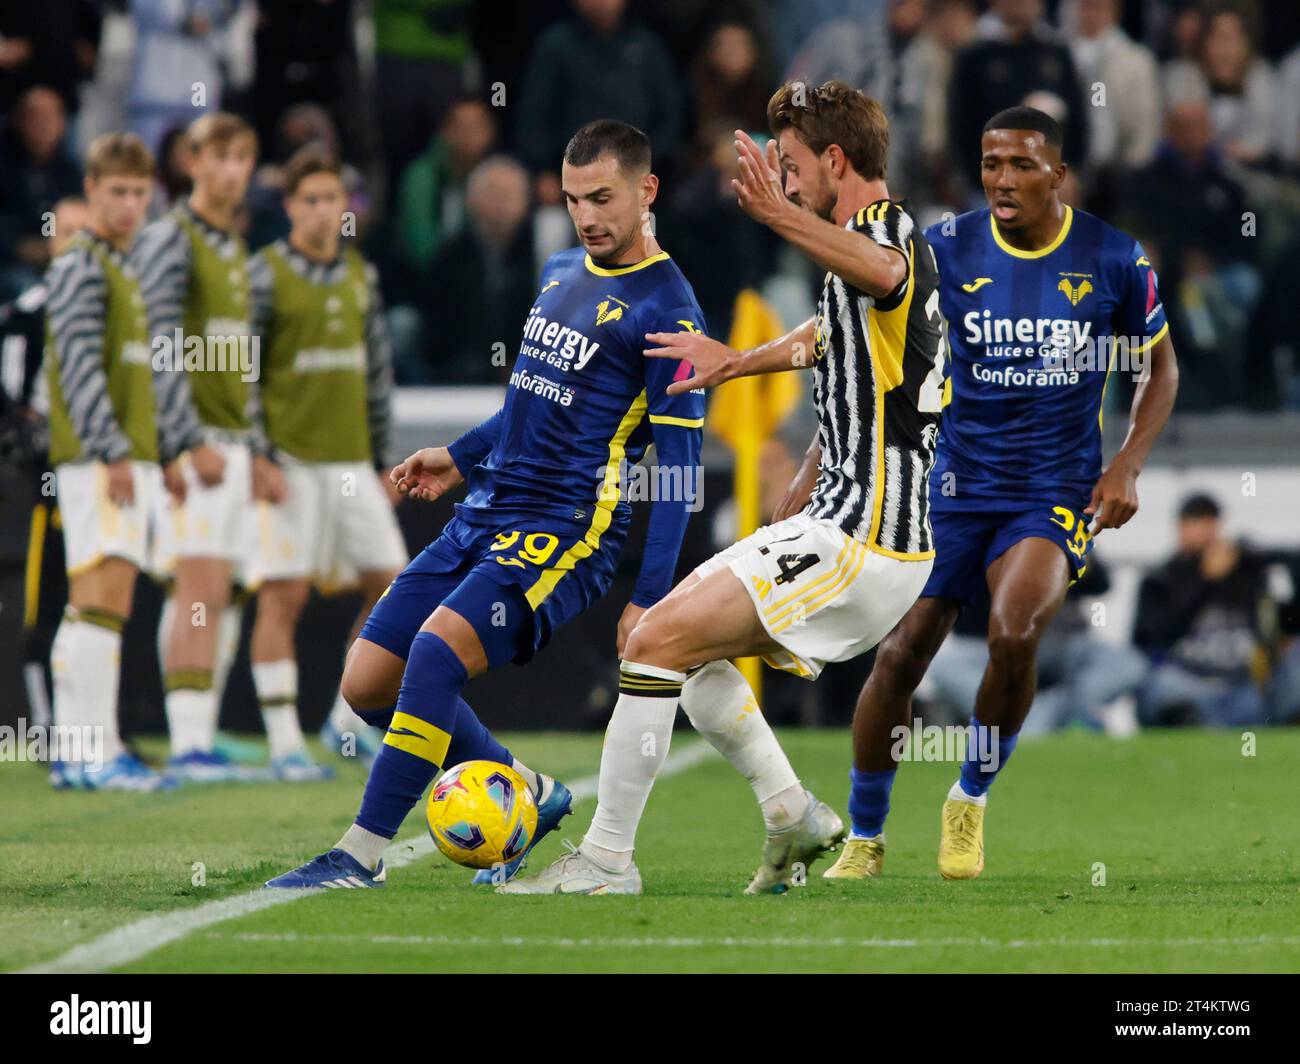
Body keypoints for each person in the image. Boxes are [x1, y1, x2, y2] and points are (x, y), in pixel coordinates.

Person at [506, 80, 945, 897]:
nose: (781, 179)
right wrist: (736, 361)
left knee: (650, 642)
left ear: (835, 162)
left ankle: (606, 861)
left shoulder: (886, 235)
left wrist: (779, 216)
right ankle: (791, 813)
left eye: (789, 165)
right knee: (693, 659)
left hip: (866, 537)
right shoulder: (860, 254)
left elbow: (885, 274)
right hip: (853, 530)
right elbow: (832, 337)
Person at [265, 119, 708, 890]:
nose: (588, 217)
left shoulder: (669, 313)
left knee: (435, 656)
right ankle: (528, 792)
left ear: (648, 191)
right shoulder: (562, 268)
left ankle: (358, 855)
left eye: (603, 198)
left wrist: (650, 598)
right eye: (573, 200)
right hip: (487, 510)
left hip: (565, 531)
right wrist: (461, 457)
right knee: (367, 682)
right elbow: (531, 400)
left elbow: (679, 468)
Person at [785, 106, 1179, 882]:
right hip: (947, 484)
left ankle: (969, 796)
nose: (1002, 179)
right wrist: (814, 461)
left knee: (1015, 632)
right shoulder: (945, 250)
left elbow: (1157, 369)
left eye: (1022, 165)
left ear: (1057, 175)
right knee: (899, 655)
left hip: (1053, 491)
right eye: (992, 162)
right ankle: (866, 834)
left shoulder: (1113, 259)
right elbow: (876, 363)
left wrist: (1128, 462)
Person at [240, 147, 408, 782]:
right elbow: (244, 372)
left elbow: (378, 375)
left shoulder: (360, 274)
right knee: (284, 594)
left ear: (345, 207)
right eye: (308, 199)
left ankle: (343, 724)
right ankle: (284, 743)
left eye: (330, 199)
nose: (320, 210)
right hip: (289, 460)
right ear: (289, 208)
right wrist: (256, 453)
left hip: (350, 464)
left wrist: (380, 460)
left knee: (394, 587)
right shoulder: (264, 274)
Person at [44, 133, 177, 790]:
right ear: (90, 191)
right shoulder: (80, 265)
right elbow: (77, 368)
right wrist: (114, 451)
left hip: (125, 456)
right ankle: (99, 754)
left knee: (89, 604)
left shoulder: (123, 265)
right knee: (105, 597)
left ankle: (77, 752)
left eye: (137, 193)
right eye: (115, 191)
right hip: (103, 458)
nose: (128, 204)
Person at [132, 112, 259, 783]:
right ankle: (186, 744)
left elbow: (240, 359)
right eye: (219, 156)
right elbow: (153, 344)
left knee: (224, 591)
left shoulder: (232, 245)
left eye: (243, 158)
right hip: (197, 443)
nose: (232, 170)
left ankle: (200, 729)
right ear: (192, 161)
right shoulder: (172, 238)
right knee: (198, 585)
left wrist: (256, 446)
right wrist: (179, 443)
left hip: (234, 442)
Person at [1133, 493, 1271, 727]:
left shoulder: (1240, 572)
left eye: (1211, 523)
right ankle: (1193, 727)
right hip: (1186, 683)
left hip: (1239, 687)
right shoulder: (1160, 578)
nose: (1206, 532)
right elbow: (1154, 637)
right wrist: (1206, 580)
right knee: (1158, 688)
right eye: (1197, 522)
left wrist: (1247, 555)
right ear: (1181, 528)